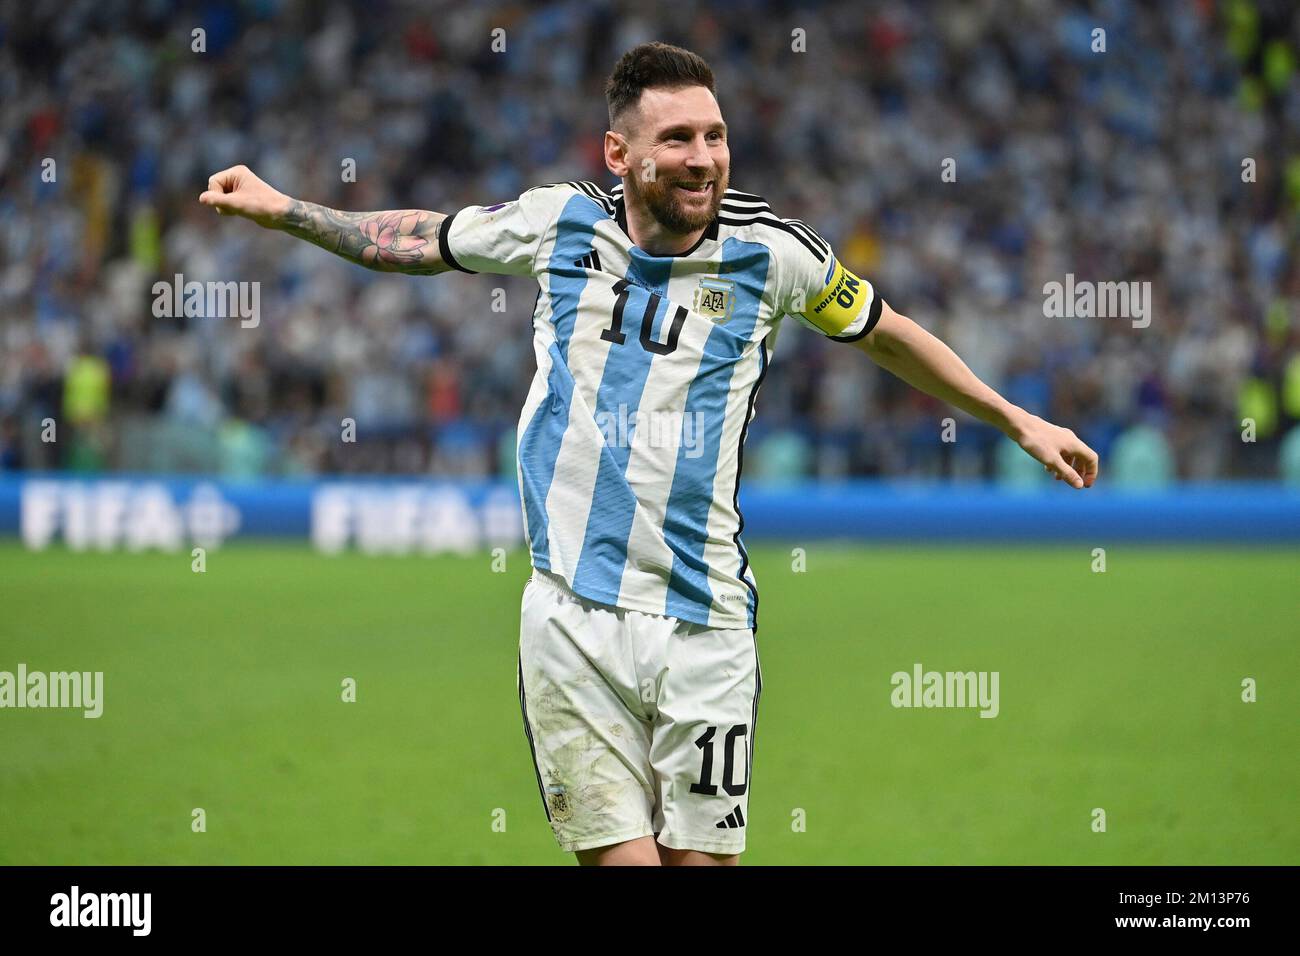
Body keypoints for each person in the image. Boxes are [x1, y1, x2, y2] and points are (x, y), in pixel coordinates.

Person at [199, 41, 1099, 866]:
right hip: (570, 620)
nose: (702, 156)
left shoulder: (771, 254)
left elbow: (886, 333)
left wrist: (1018, 420)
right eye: (676, 138)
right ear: (619, 155)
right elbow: (418, 241)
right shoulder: (557, 227)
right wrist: (285, 211)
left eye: (714, 134)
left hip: (706, 624)